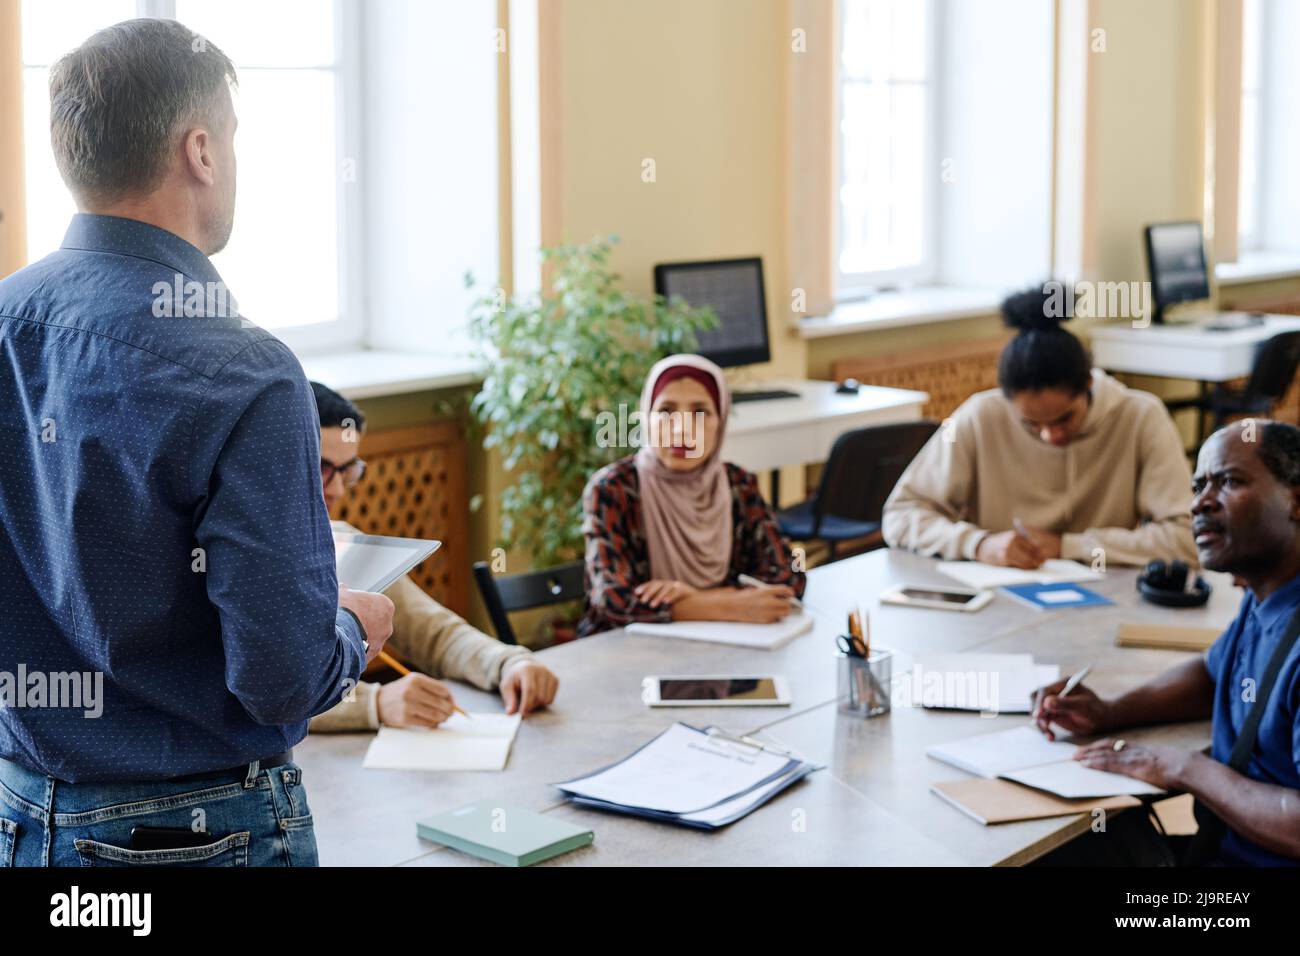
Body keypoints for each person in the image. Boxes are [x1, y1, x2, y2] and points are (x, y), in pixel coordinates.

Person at [0, 20, 393, 867]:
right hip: (200, 832)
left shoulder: (4, 322)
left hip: (19, 814)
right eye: (234, 139)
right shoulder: (246, 370)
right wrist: (353, 630)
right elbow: (282, 679)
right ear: (202, 151)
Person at [1032, 421, 1300, 866]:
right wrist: (1109, 712)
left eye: (1230, 482)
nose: (1201, 502)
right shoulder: (1266, 599)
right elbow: (1212, 676)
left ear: (1295, 500)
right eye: (1198, 487)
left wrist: (1185, 768)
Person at [882, 285, 1197, 569]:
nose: (1050, 435)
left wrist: (1068, 547)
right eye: (1031, 425)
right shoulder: (979, 416)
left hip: (1110, 591)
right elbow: (900, 515)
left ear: (1088, 384)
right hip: (1001, 592)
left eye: (1064, 419)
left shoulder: (1141, 416)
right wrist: (979, 545)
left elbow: (1187, 539)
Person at [307, 383, 558, 731]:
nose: (336, 490)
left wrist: (507, 662)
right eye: (322, 468)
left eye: (347, 471)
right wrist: (374, 703)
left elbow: (436, 634)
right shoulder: (245, 560)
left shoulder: (345, 542)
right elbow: (259, 693)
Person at [579, 354, 806, 636]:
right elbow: (612, 601)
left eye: (700, 412)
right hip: (625, 650)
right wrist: (729, 605)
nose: (682, 429)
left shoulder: (738, 483)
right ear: (646, 418)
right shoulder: (613, 489)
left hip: (730, 644)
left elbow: (790, 575)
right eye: (666, 411)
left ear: (721, 421)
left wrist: (692, 599)